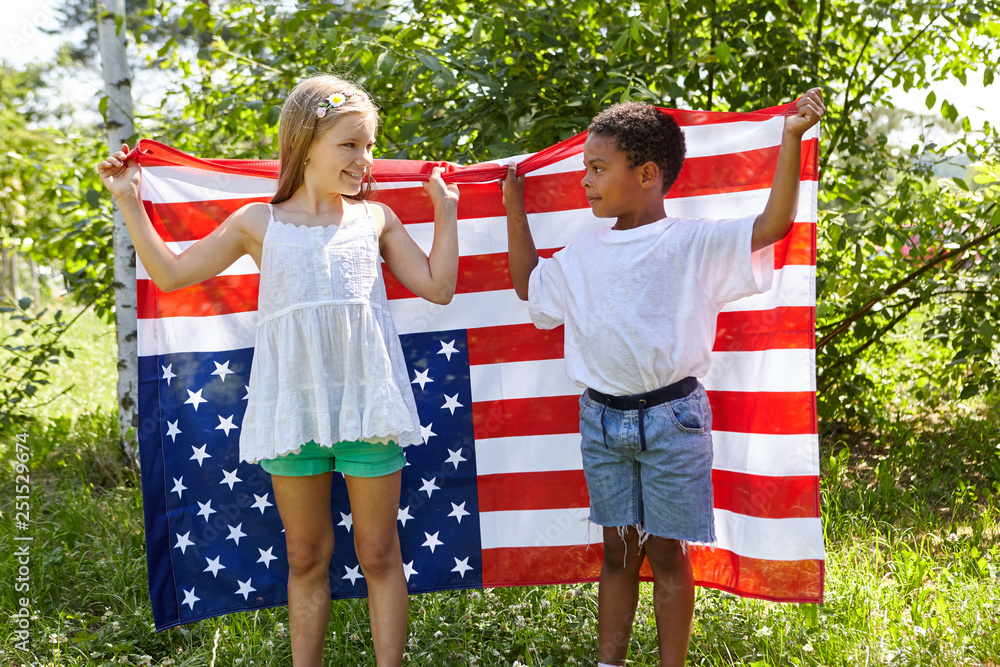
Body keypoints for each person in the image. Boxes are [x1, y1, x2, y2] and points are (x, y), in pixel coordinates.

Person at [97, 74, 459, 667]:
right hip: (292, 412)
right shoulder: (256, 223)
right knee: (306, 558)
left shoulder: (376, 219)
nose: (364, 160)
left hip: (369, 409)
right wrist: (129, 200)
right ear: (305, 143)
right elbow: (170, 275)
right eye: (350, 145)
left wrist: (445, 212)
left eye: (369, 146)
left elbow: (439, 287)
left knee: (379, 554)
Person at [501, 89, 825, 666]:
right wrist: (513, 206)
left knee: (670, 554)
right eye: (585, 169)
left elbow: (774, 225)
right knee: (619, 552)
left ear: (647, 173)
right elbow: (531, 286)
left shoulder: (693, 243)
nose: (585, 181)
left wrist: (791, 138)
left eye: (598, 169)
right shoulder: (582, 253)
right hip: (601, 420)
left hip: (674, 420)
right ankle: (611, 662)